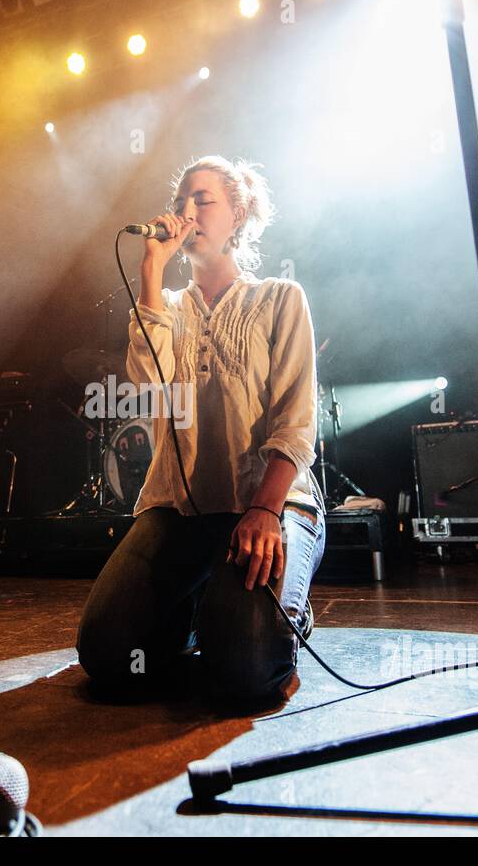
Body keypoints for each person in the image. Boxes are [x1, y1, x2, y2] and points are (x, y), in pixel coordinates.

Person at [76, 156, 326, 706]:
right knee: (109, 658)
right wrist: (151, 272)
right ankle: (202, 611)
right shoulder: (163, 307)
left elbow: (295, 420)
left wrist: (263, 511)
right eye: (180, 201)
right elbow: (147, 381)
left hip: (271, 505)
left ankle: (282, 617)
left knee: (245, 675)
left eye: (202, 199)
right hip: (181, 511)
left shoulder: (280, 298)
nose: (185, 212)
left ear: (237, 214)